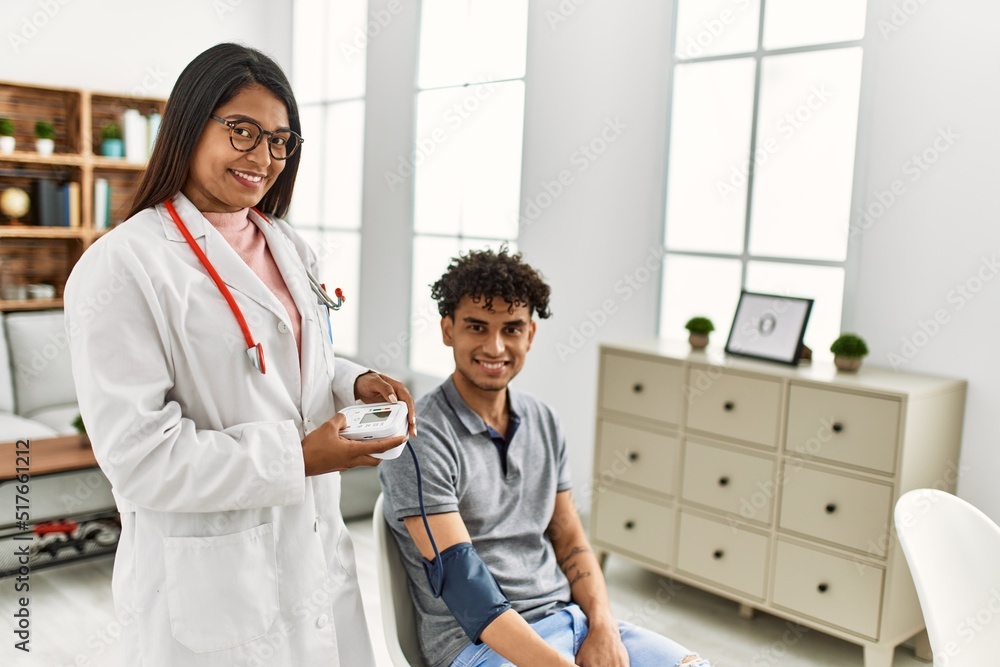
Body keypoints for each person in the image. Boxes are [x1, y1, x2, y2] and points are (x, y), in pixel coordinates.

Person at [64, 43, 414, 667]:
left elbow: (290, 361)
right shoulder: (121, 267)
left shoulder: (286, 244)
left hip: (314, 554)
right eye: (242, 130)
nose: (263, 157)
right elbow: (140, 459)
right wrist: (302, 457)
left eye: (280, 140)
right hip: (210, 584)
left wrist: (353, 381)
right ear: (188, 125)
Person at [379, 247, 709, 667]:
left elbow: (571, 541)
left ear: (530, 334)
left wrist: (604, 627)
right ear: (448, 330)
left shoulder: (543, 420)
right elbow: (465, 586)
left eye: (511, 329)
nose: (494, 346)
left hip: (570, 621)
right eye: (476, 327)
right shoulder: (418, 435)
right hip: (479, 646)